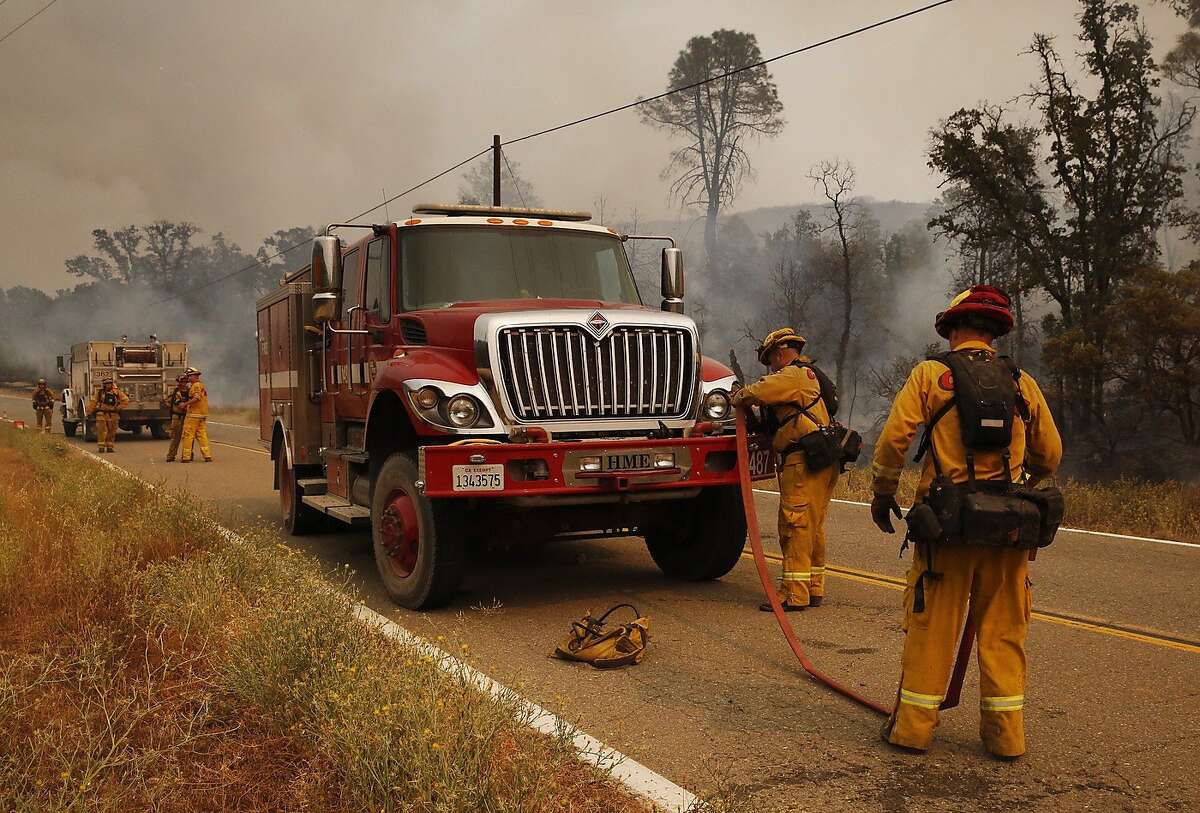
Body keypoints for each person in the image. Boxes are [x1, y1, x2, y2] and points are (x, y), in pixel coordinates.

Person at [870, 285, 1062, 759]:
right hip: (1009, 528)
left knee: (933, 626)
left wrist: (883, 492)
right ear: (994, 332)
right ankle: (1005, 737)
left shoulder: (931, 375)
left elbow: (895, 439)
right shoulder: (1021, 380)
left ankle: (913, 730)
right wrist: (1020, 481)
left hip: (947, 527)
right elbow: (1050, 454)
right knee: (1004, 630)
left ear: (952, 328)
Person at [731, 328, 839, 611]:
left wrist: (738, 396)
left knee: (795, 525)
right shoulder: (807, 376)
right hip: (819, 459)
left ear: (780, 353)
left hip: (802, 461)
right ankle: (813, 588)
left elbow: (759, 391)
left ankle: (793, 594)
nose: (770, 367)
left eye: (770, 360)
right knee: (812, 526)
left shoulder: (793, 375)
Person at [178, 367, 212, 463]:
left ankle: (186, 457)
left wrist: (184, 404)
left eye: (189, 376)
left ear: (194, 376)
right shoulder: (201, 385)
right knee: (202, 436)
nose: (188, 378)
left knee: (188, 435)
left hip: (193, 415)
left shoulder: (195, 386)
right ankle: (207, 455)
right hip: (202, 415)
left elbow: (197, 398)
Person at [87, 379, 128, 453]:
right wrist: (89, 412)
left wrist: (118, 408)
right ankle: (101, 447)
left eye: (109, 384)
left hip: (113, 415)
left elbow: (125, 400)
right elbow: (93, 402)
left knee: (112, 431)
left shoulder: (117, 392)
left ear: (111, 384)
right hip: (101, 414)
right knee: (101, 431)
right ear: (104, 385)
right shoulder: (99, 393)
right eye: (106, 384)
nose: (108, 385)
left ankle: (110, 446)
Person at [162, 375, 191, 462]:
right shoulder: (175, 392)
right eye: (182, 381)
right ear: (179, 382)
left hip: (187, 417)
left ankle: (188, 455)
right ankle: (171, 455)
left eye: (185, 381)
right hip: (177, 418)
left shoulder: (190, 392)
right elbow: (167, 402)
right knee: (175, 438)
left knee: (189, 438)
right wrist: (174, 408)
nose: (183, 383)